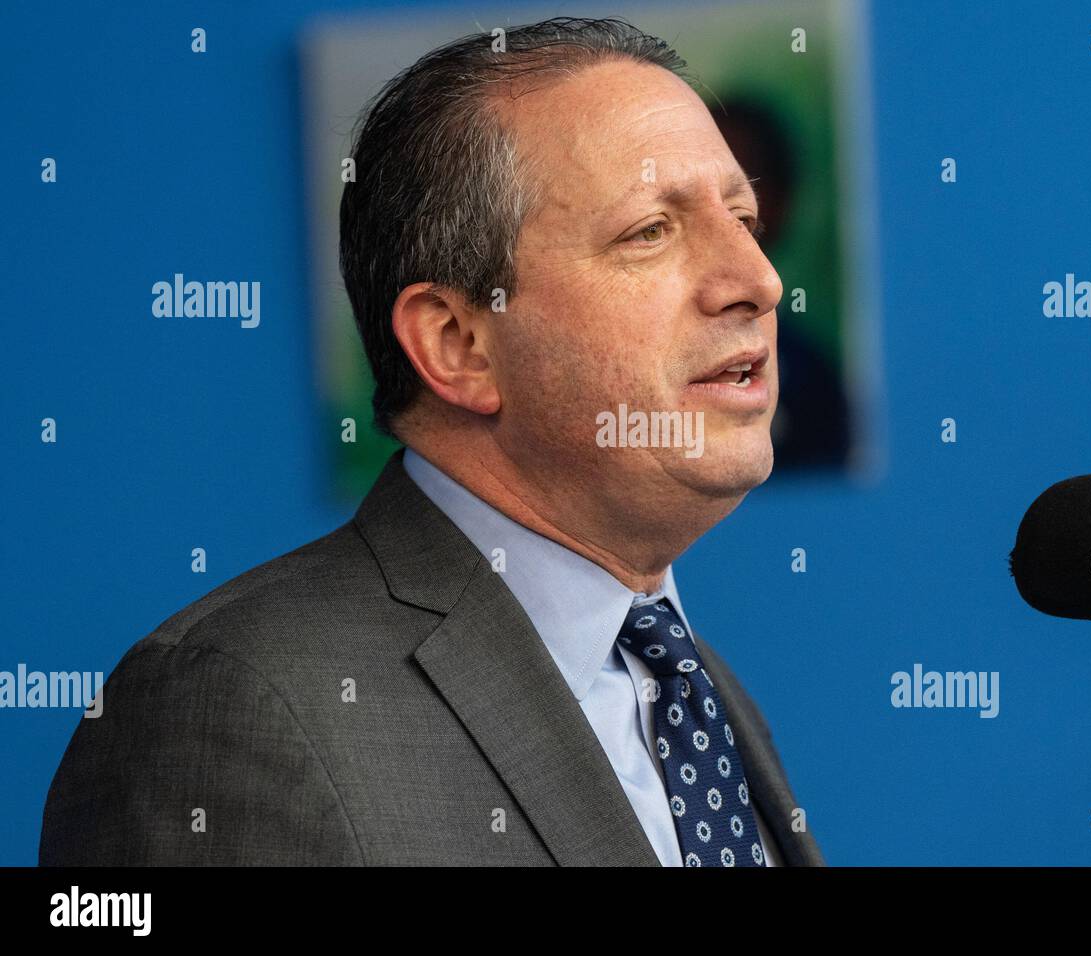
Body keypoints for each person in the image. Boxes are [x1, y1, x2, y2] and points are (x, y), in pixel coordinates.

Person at [39, 16, 825, 867]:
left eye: (742, 219)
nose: (758, 279)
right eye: (650, 231)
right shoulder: (232, 709)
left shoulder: (687, 682)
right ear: (457, 344)